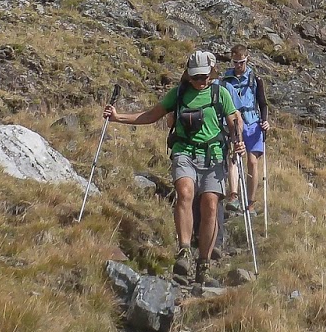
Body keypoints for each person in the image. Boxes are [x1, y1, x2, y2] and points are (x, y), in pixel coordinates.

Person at [105, 49, 244, 288]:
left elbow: (234, 119)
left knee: (211, 205)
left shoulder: (220, 93)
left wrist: (238, 137)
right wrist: (118, 118)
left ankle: (204, 263)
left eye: (206, 76)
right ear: (189, 75)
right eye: (198, 77)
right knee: (185, 193)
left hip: (213, 156)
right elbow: (151, 115)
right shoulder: (178, 95)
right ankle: (184, 252)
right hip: (184, 152)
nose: (202, 81)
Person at [220, 45, 268, 213]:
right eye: (235, 62)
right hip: (234, 123)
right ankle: (233, 195)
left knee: (252, 162)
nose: (238, 65)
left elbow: (262, 102)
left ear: (247, 59)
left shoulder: (255, 78)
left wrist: (265, 121)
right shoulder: (225, 80)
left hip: (253, 123)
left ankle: (250, 203)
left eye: (241, 62)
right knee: (235, 157)